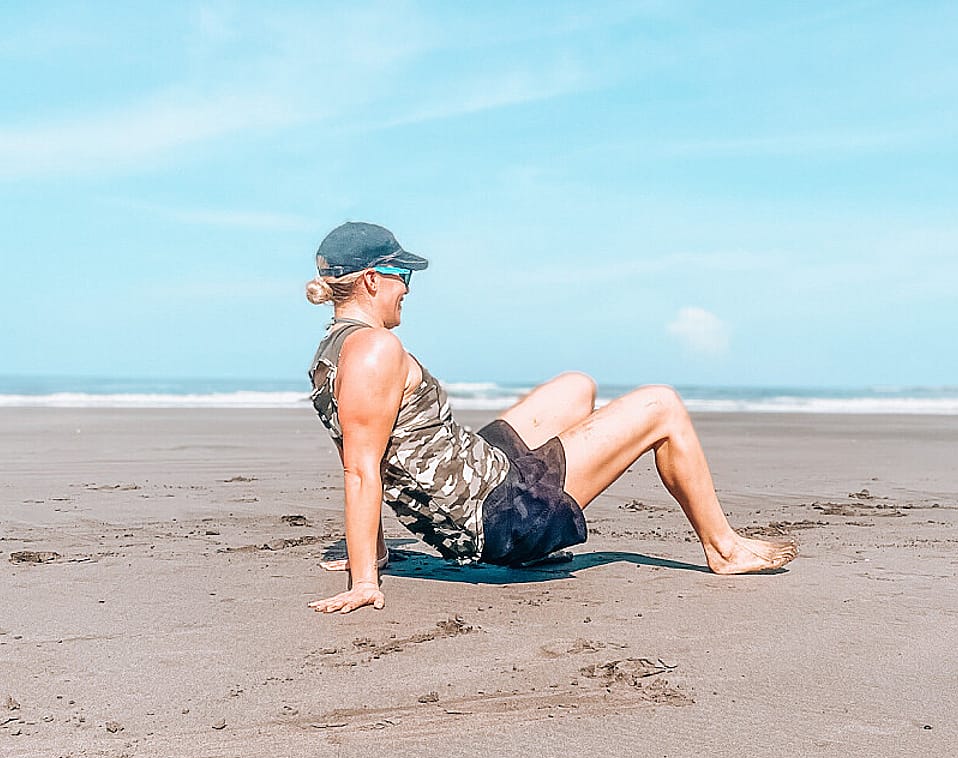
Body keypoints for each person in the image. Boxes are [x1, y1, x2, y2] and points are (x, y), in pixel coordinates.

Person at [303, 222, 797, 615]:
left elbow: (364, 453)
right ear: (371, 279)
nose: (408, 289)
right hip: (496, 518)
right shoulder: (375, 351)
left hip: (476, 469)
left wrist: (379, 551)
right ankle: (725, 549)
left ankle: (567, 475)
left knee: (575, 386)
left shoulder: (332, 353)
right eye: (403, 277)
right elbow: (361, 469)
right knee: (661, 404)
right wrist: (365, 578)